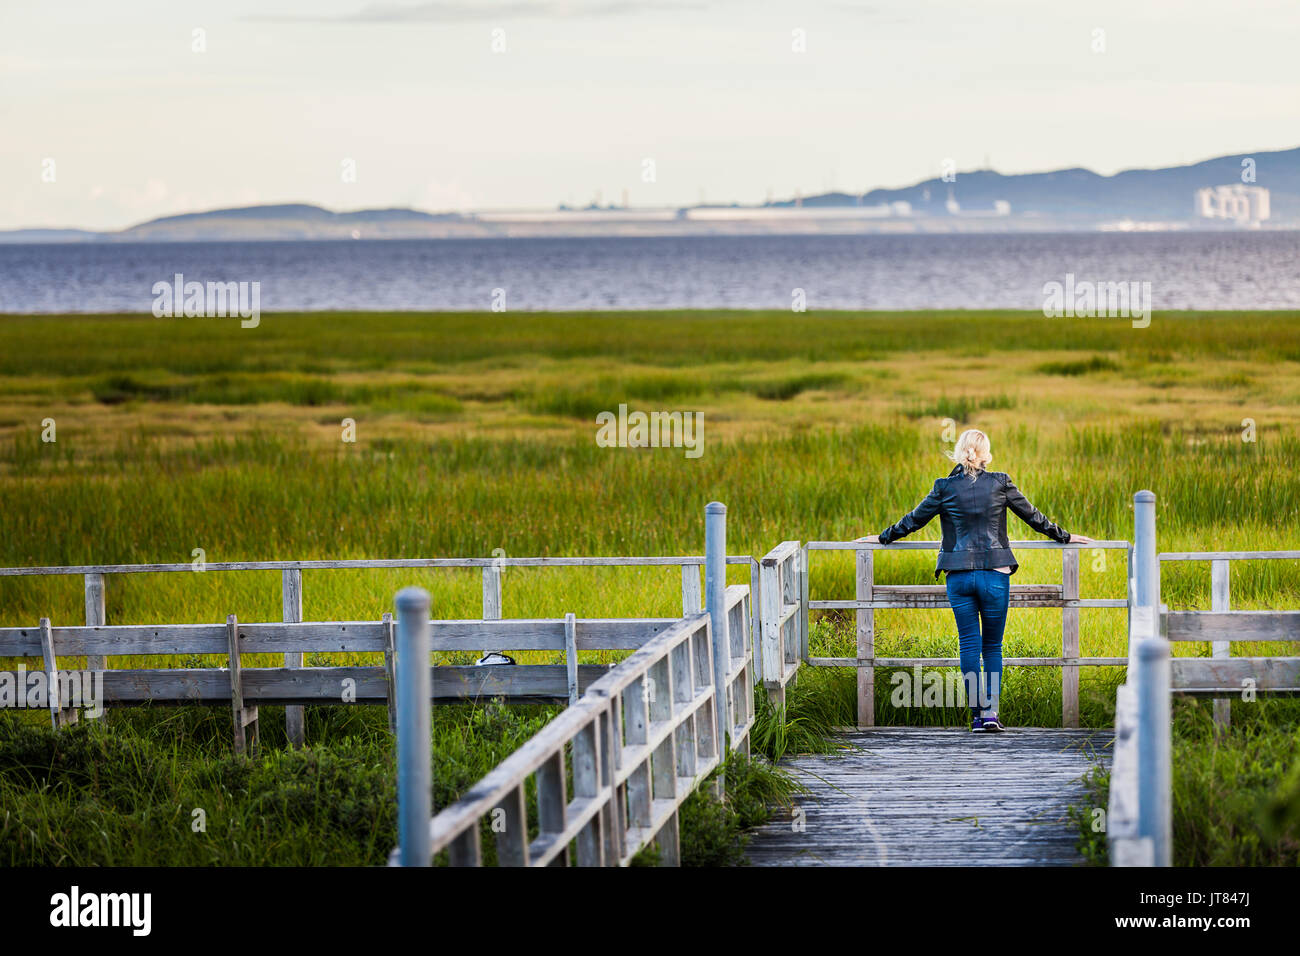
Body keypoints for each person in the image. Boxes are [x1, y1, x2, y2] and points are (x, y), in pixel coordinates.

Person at [857, 429, 1092, 732]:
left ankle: (977, 716)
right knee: (992, 645)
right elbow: (1034, 517)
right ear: (985, 454)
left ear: (960, 452)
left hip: (959, 576)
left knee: (969, 644)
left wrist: (881, 538)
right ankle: (991, 712)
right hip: (995, 574)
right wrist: (1066, 536)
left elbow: (913, 520)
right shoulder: (1000, 483)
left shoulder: (944, 488)